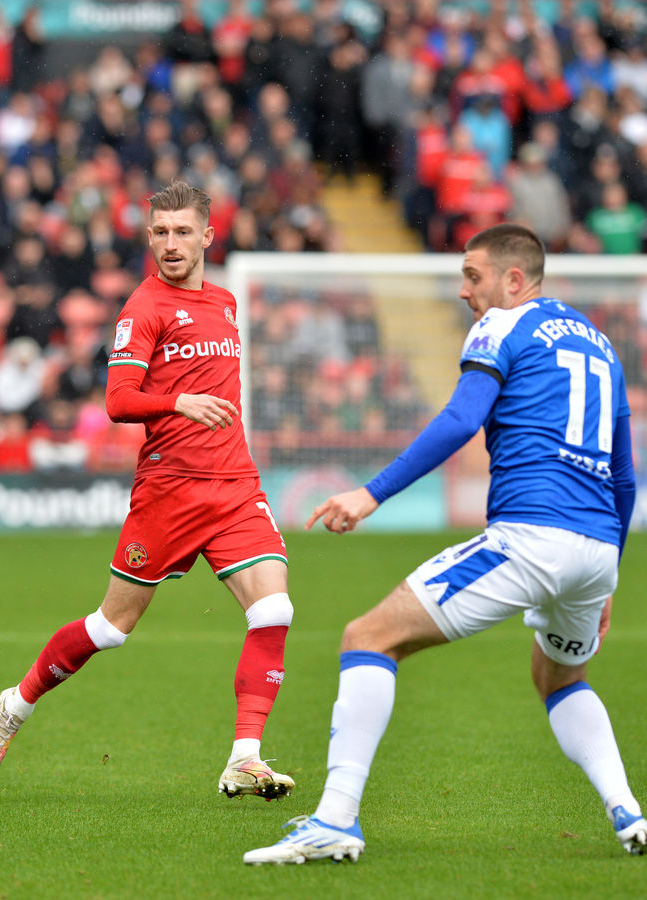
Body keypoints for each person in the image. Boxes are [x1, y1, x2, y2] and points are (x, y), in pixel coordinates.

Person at [243, 224, 645, 865]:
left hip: (532, 536)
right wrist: (612, 577)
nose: (463, 291)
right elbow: (625, 475)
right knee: (560, 674)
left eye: (473, 276)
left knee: (367, 636)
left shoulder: (502, 324)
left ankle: (335, 819)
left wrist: (370, 493)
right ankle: (628, 811)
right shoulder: (601, 345)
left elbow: (461, 418)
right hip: (596, 548)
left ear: (514, 281)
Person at [0, 182, 296, 801]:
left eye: (182, 232)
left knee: (274, 610)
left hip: (234, 487)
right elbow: (118, 401)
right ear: (148, 237)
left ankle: (245, 757)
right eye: (160, 232)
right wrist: (180, 401)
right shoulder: (142, 308)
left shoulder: (227, 303)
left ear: (207, 236)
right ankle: (16, 703)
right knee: (112, 628)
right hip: (168, 491)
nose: (171, 244)